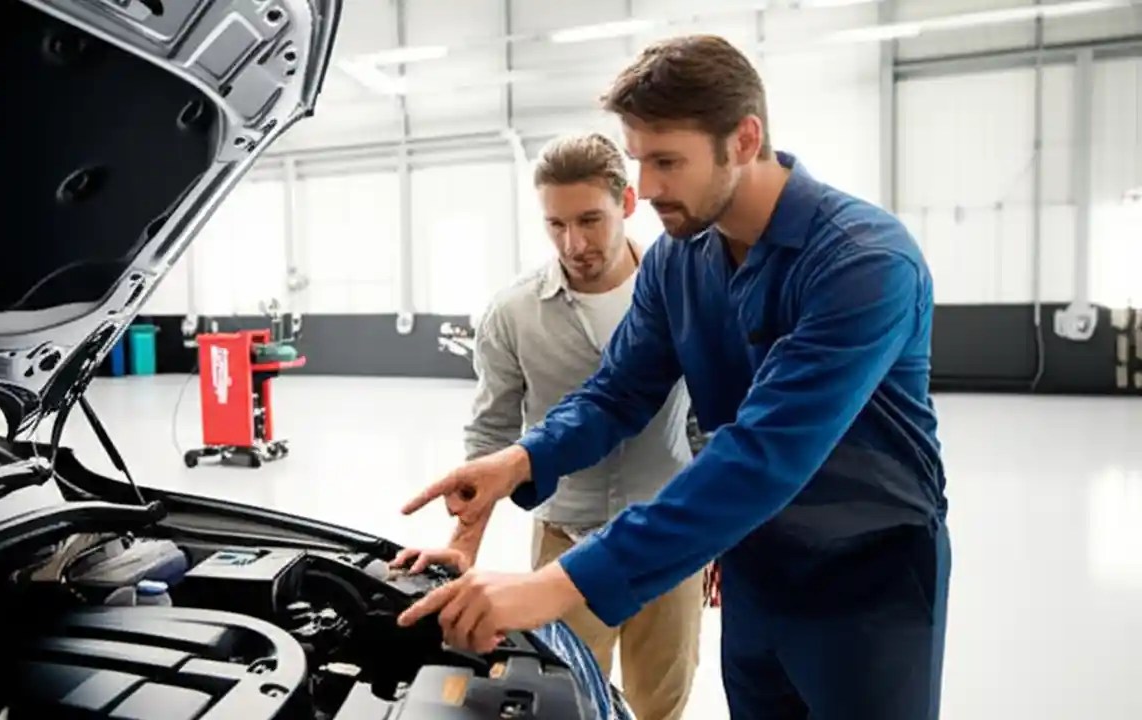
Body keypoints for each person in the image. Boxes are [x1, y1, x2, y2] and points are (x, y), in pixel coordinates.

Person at [396, 34, 951, 720]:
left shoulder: (863, 262)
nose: (648, 188)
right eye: (639, 161)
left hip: (869, 582)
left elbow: (762, 455)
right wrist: (520, 459)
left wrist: (550, 588)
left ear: (744, 139)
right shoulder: (677, 262)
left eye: (667, 162)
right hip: (754, 568)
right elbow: (618, 392)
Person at [393, 132, 706, 720]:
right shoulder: (512, 313)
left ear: (629, 203)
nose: (575, 242)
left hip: (669, 539)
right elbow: (490, 436)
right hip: (564, 540)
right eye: (555, 225)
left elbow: (707, 419)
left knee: (662, 703)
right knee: (568, 700)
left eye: (591, 220)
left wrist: (720, 537)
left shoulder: (682, 291)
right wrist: (463, 548)